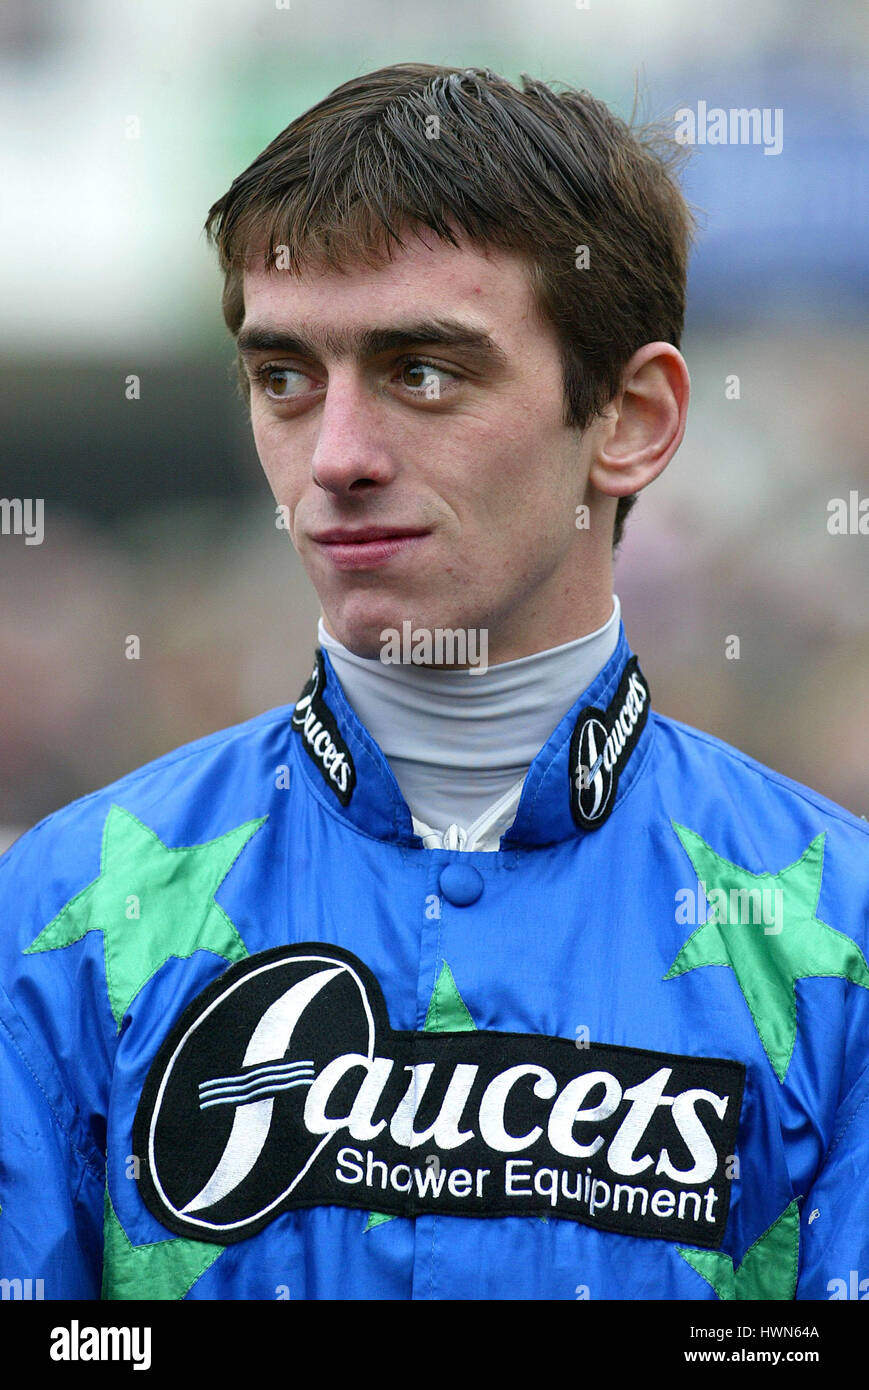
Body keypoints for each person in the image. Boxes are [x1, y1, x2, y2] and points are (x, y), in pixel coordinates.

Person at [1, 63, 867, 1303]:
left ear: (628, 418)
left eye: (422, 371)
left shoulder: (835, 934)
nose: (336, 457)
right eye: (284, 376)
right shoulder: (64, 908)